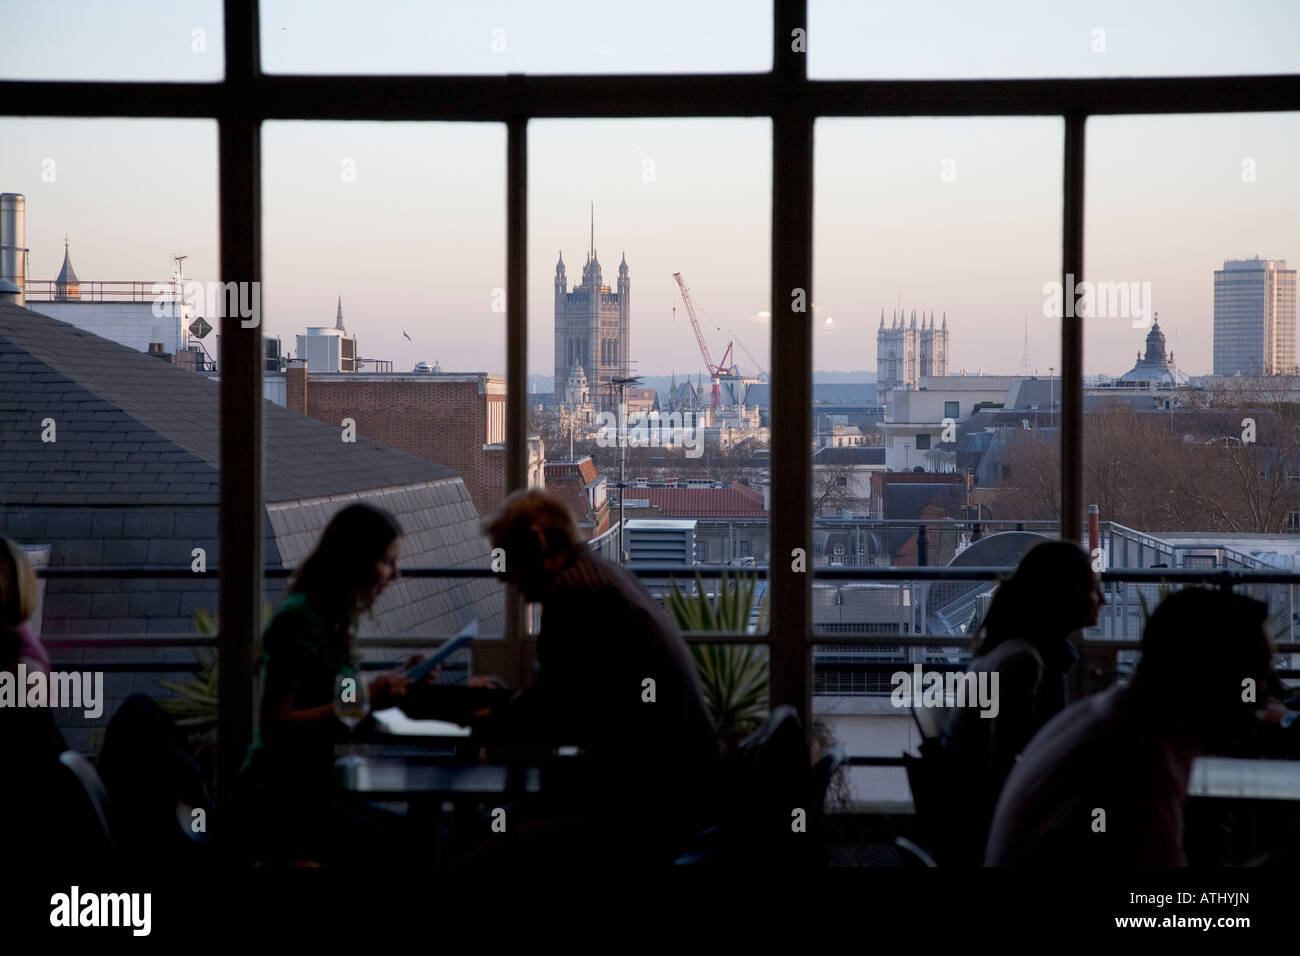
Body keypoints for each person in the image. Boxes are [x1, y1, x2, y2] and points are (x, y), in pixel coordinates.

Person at [476, 489, 722, 865]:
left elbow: (553, 707)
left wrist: (494, 722)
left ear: (538, 544)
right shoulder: (603, 576)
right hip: (678, 788)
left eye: (508, 558)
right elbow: (569, 698)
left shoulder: (572, 593)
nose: (505, 575)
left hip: (648, 807)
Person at [985, 588, 1277, 866]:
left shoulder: (1108, 720)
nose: (1265, 693)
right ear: (1210, 676)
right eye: (1257, 674)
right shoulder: (1138, 760)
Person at [241, 503, 412, 865]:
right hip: (288, 799)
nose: (395, 575)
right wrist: (369, 696)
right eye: (387, 561)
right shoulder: (300, 620)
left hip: (312, 790)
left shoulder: (328, 616)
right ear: (356, 562)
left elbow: (333, 696)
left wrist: (398, 679)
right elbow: (275, 725)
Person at [939, 539, 1103, 863]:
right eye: (1093, 588)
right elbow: (1015, 766)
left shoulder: (1006, 653)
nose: (1104, 599)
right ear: (1062, 595)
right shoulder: (1023, 664)